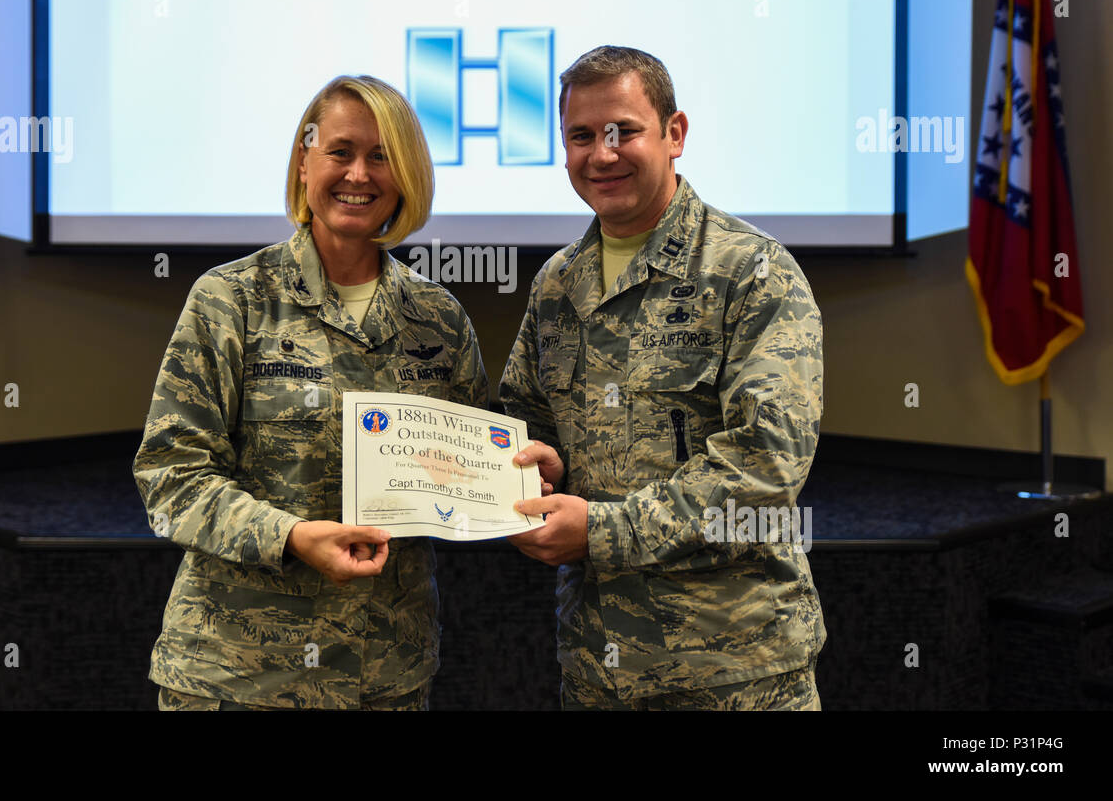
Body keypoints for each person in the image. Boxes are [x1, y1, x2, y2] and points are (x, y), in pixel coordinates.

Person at [134, 75, 488, 710]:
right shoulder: (231, 300)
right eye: (341, 151)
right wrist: (290, 537)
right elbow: (171, 479)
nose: (359, 174)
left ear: (407, 175)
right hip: (238, 677)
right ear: (304, 162)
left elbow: (469, 473)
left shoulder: (439, 320)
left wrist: (516, 481)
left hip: (385, 678)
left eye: (382, 156)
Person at [499, 45, 826, 710]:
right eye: (581, 136)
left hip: (736, 672)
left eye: (624, 131)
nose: (603, 154)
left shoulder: (752, 272)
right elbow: (525, 425)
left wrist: (601, 530)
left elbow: (764, 467)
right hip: (600, 668)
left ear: (675, 134)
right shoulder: (558, 285)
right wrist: (520, 471)